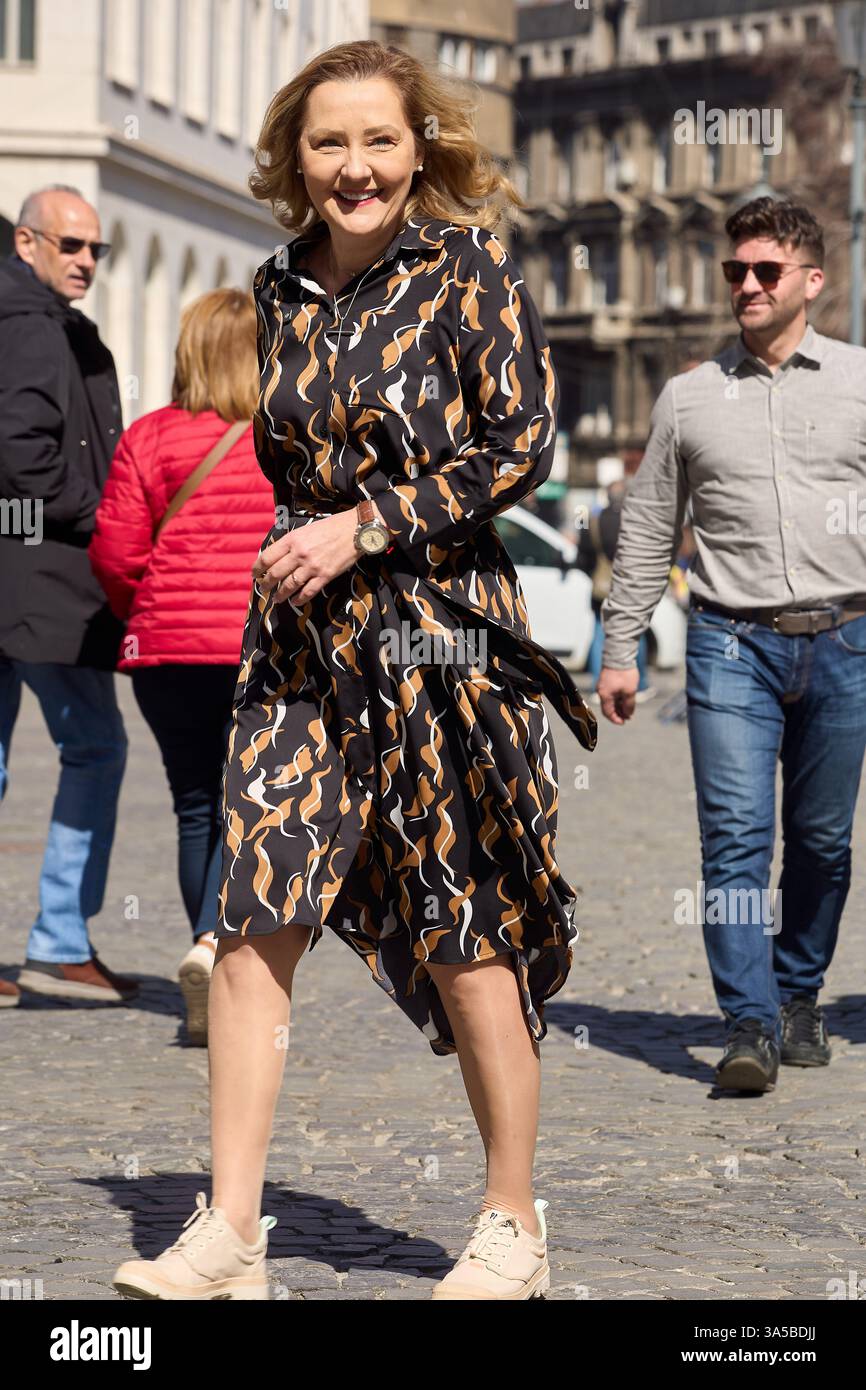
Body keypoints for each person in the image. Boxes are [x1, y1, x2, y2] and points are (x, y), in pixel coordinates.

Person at [112, 37, 597, 1302]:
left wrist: (367, 524)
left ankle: (509, 1222)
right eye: (329, 142)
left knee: (462, 921)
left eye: (378, 139)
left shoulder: (467, 269)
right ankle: (228, 1228)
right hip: (299, 648)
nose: (354, 166)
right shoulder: (275, 288)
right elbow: (282, 464)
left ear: (417, 147)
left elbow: (519, 447)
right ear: (295, 157)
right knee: (250, 911)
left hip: (435, 638)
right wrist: (302, 543)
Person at [596, 196, 866, 1094]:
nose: (746, 286)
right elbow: (646, 532)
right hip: (728, 645)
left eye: (765, 272)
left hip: (846, 637)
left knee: (823, 841)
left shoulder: (860, 383)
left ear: (811, 281)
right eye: (735, 272)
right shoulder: (689, 396)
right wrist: (621, 646)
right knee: (735, 841)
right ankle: (747, 1021)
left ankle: (798, 997)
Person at [88, 289, 276, 1044]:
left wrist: (152, 606)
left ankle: (205, 950)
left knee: (195, 803)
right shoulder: (280, 439)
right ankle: (213, 950)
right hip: (255, 647)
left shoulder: (148, 437)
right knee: (250, 805)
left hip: (164, 653)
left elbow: (115, 553)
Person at [0, 186, 130, 1008]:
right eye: (71, 245)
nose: (85, 261)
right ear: (27, 243)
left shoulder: (45, 321)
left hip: (26, 575)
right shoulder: (30, 325)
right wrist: (101, 512)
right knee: (95, 747)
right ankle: (56, 940)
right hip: (38, 579)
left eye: (96, 250)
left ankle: (55, 942)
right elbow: (22, 455)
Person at [576, 478, 652, 702]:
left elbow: (583, 553)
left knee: (600, 633)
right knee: (635, 633)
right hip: (630, 584)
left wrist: (592, 571)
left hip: (601, 585)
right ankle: (640, 685)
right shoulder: (636, 520)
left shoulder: (594, 520)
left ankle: (599, 686)